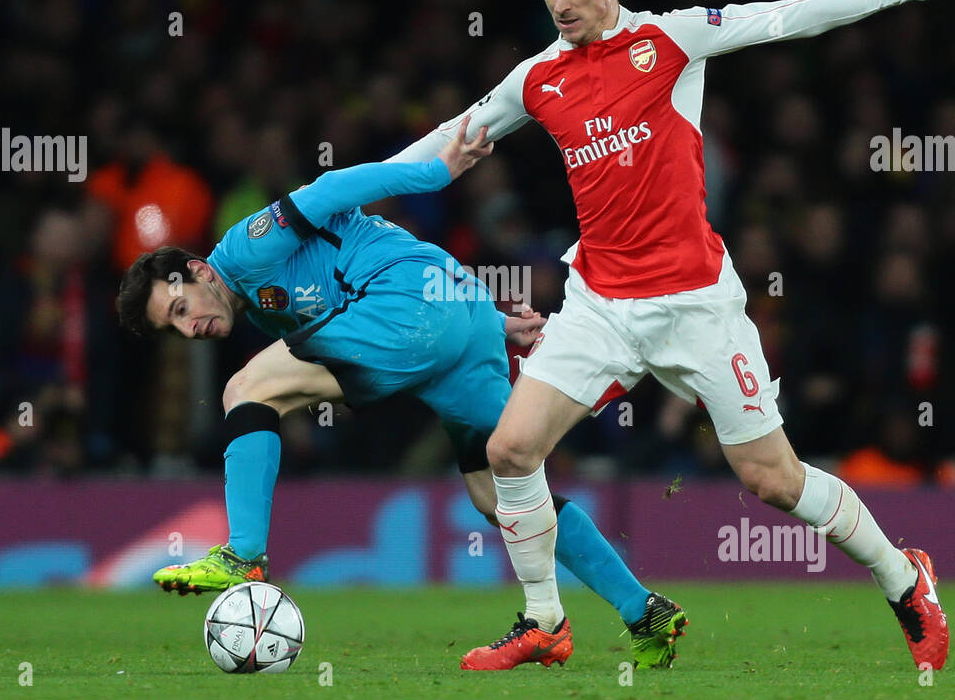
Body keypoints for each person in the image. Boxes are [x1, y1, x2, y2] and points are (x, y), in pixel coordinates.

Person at [382, 0, 955, 672]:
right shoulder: (537, 78)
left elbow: (793, 17)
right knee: (510, 449)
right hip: (601, 304)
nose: (562, 2)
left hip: (695, 304)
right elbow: (453, 134)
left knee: (772, 481)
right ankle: (545, 620)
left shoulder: (674, 39)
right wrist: (336, 197)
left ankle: (904, 577)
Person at [116, 118, 688, 669]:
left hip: (407, 308)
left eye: (181, 307)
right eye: (175, 326)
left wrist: (435, 174)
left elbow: (334, 187)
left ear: (196, 270)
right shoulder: (258, 305)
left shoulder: (242, 249)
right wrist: (490, 320)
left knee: (246, 388)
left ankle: (243, 554)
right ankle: (642, 611)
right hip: (459, 317)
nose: (190, 327)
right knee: (500, 493)